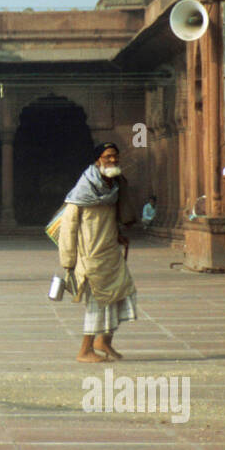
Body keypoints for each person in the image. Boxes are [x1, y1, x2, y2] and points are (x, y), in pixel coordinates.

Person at [58, 142, 137, 363]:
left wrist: (118, 234)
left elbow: (110, 218)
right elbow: (68, 227)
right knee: (97, 303)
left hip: (111, 252)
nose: (113, 161)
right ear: (97, 160)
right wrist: (68, 262)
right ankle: (85, 350)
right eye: (108, 157)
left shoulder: (113, 187)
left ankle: (104, 342)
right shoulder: (83, 190)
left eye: (116, 157)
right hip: (90, 256)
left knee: (122, 295)